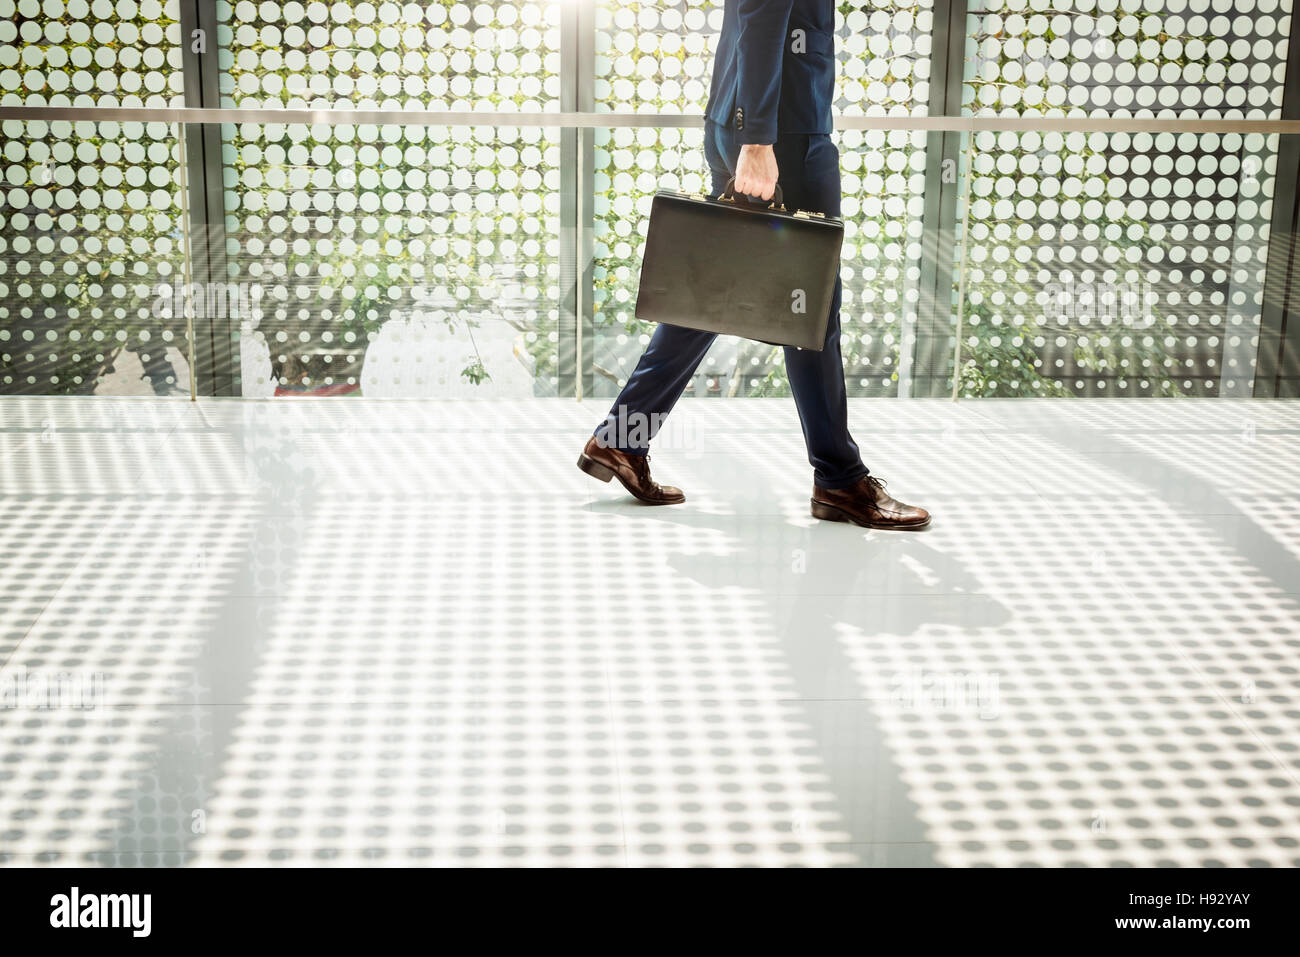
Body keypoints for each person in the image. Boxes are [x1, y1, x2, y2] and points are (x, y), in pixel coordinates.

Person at [577, 0, 930, 530]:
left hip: (752, 122)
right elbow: (764, 18)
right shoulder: (768, 138)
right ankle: (839, 480)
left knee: (717, 291)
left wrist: (743, 131)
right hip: (782, 135)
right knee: (811, 306)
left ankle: (621, 439)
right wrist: (757, 140)